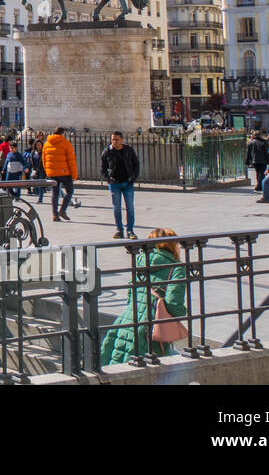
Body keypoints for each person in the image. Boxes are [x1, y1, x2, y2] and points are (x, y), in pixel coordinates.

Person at [100, 229, 188, 365]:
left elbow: (131, 293)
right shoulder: (176, 268)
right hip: (149, 328)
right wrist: (183, 313)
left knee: (119, 363)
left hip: (127, 320)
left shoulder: (141, 261)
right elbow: (173, 304)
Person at [100, 131, 140, 239]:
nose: (114, 142)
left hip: (127, 183)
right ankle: (119, 230)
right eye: (113, 139)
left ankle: (130, 230)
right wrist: (108, 179)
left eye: (116, 139)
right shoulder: (107, 151)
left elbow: (136, 164)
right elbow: (102, 167)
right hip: (114, 184)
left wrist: (133, 178)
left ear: (122, 140)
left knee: (130, 207)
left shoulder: (129, 150)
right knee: (116, 208)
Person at [42, 127, 77, 222]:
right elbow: (71, 161)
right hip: (64, 172)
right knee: (69, 191)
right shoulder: (66, 143)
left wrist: (48, 171)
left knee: (55, 193)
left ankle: (55, 214)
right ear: (63, 133)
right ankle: (62, 210)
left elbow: (44, 160)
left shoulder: (46, 144)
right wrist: (74, 175)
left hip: (52, 173)